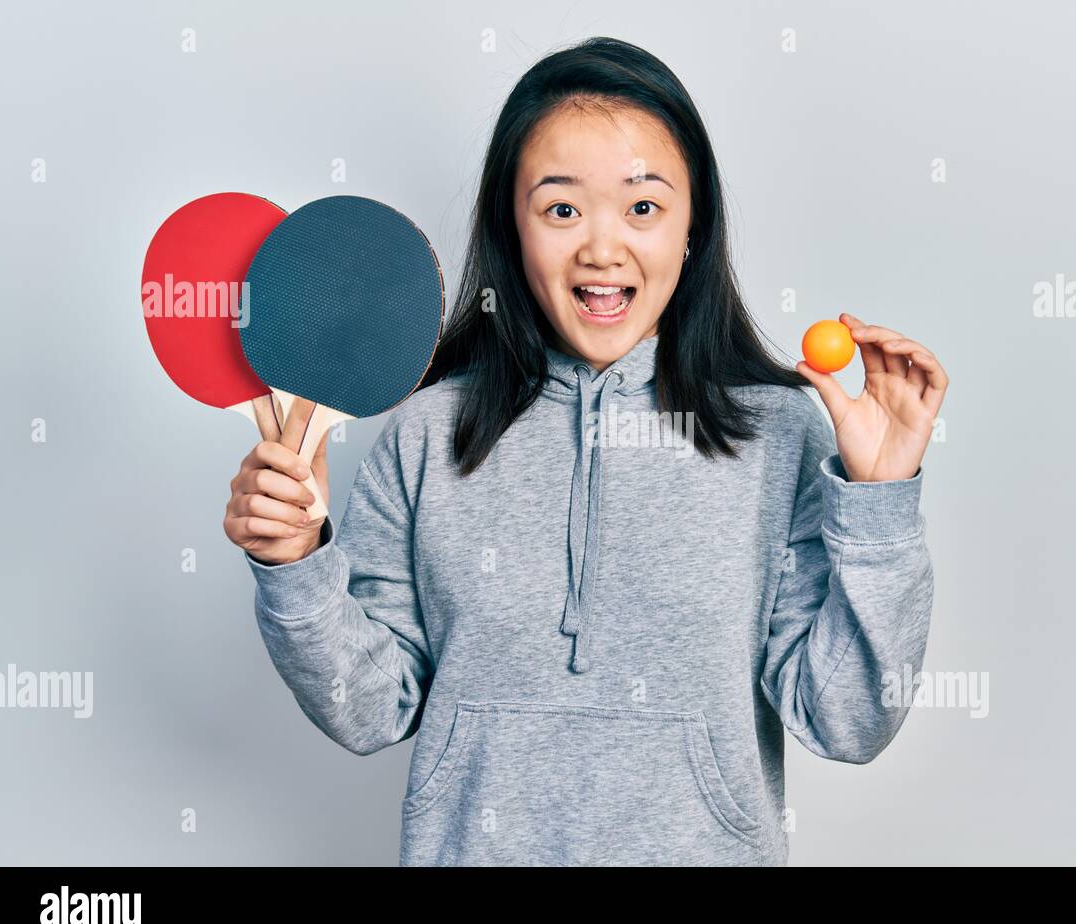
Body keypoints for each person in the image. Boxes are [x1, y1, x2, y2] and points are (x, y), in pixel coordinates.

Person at [223, 36, 947, 866]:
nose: (602, 249)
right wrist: (297, 568)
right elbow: (368, 709)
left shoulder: (779, 437)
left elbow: (847, 721)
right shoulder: (425, 433)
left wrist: (882, 506)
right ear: (512, 227)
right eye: (561, 209)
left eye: (643, 207)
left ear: (692, 228)